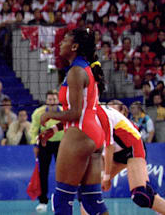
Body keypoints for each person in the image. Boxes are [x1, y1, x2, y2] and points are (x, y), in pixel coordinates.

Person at [39, 28, 107, 215]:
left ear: (75, 46)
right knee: (93, 200)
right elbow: (84, 109)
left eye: (65, 41)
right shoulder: (86, 68)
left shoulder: (76, 71)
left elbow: (76, 112)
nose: (60, 44)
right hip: (94, 134)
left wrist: (50, 115)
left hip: (80, 135)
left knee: (61, 199)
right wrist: (55, 128)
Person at [89, 102, 165, 215]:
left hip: (131, 148)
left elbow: (109, 147)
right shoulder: (89, 118)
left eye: (115, 106)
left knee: (140, 195)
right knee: (88, 189)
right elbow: (102, 154)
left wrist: (106, 176)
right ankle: (158, 206)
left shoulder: (105, 116)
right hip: (115, 153)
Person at [31, 91, 64, 212]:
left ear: (57, 100)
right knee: (43, 173)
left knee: (62, 173)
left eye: (54, 99)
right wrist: (35, 145)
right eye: (50, 99)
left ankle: (62, 199)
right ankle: (42, 201)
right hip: (44, 145)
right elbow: (34, 130)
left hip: (61, 144)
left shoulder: (64, 111)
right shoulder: (38, 113)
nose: (52, 102)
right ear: (46, 101)